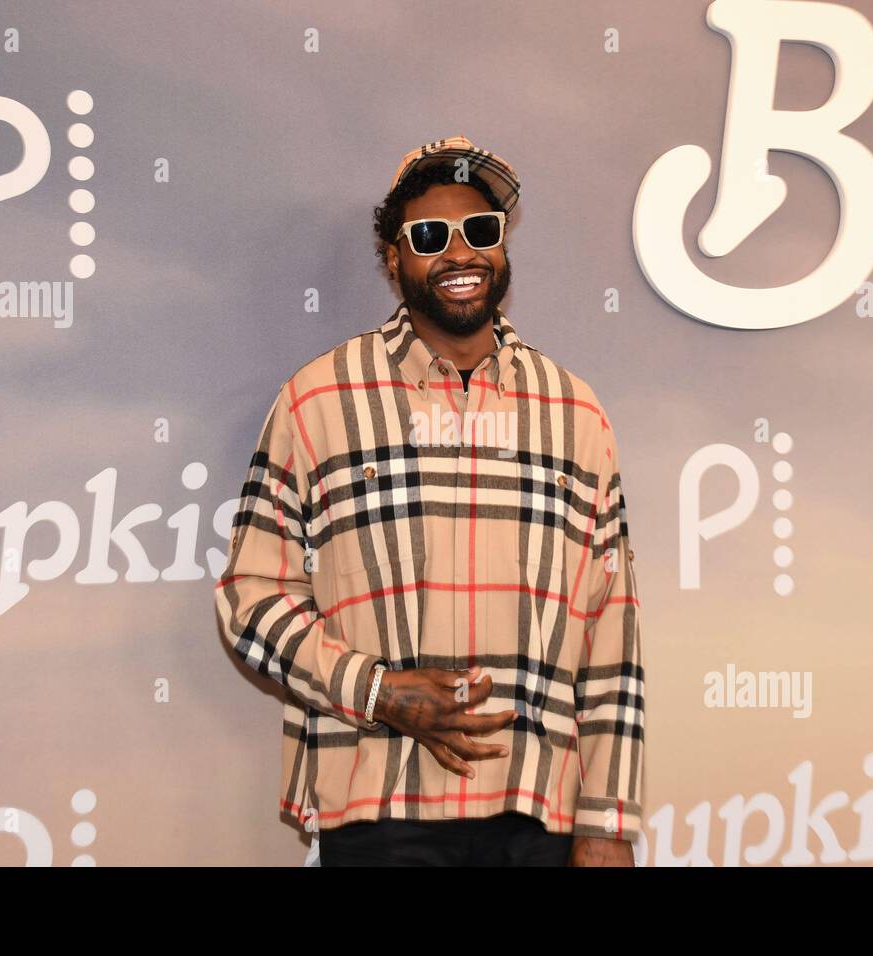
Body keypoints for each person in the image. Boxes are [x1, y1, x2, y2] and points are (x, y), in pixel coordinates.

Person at [214, 135, 644, 866]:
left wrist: (605, 821)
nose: (460, 253)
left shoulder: (577, 412)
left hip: (538, 810)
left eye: (481, 230)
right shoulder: (318, 399)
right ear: (393, 258)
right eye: (429, 236)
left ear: (503, 247)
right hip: (380, 807)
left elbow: (611, 632)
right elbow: (249, 599)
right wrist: (378, 692)